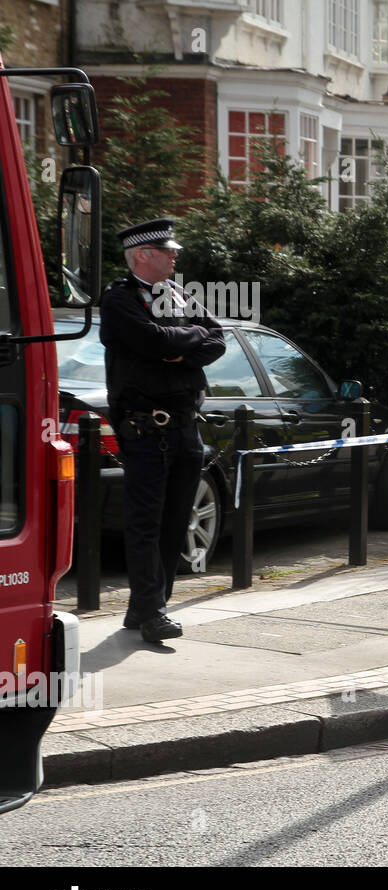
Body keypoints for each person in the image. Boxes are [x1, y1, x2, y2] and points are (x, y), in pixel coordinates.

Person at [100, 218, 226, 643]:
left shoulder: (177, 294)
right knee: (145, 522)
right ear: (141, 255)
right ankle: (152, 611)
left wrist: (180, 345)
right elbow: (151, 340)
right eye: (167, 250)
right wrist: (186, 342)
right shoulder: (119, 299)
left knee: (176, 521)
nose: (175, 256)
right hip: (146, 429)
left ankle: (148, 607)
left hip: (186, 427)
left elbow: (218, 339)